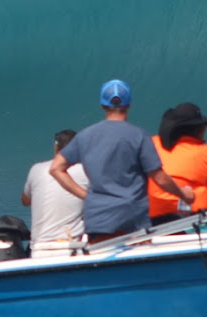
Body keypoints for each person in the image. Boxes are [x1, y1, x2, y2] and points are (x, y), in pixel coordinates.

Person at [49, 79, 194, 242]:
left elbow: (56, 168)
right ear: (128, 104)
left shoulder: (85, 136)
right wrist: (184, 194)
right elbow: (159, 177)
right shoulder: (139, 136)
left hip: (99, 219)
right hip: (132, 219)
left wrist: (85, 196)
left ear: (103, 106)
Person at [148, 103, 207, 224]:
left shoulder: (151, 144)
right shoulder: (203, 153)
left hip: (150, 218)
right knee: (202, 191)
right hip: (188, 220)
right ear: (197, 130)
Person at [22, 129, 89, 257]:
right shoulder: (87, 171)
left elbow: (25, 201)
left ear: (55, 147)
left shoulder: (37, 169)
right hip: (72, 248)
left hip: (39, 249)